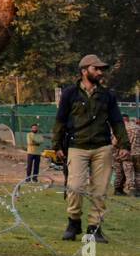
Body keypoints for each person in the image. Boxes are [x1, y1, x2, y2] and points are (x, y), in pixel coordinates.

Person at [53, 55, 131, 242]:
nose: (100, 72)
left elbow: (117, 121)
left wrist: (124, 144)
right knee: (75, 186)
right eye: (96, 69)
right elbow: (60, 121)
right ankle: (73, 222)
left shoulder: (107, 95)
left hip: (102, 147)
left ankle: (94, 228)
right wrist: (56, 145)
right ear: (84, 70)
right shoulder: (70, 94)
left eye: (101, 69)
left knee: (100, 190)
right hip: (76, 146)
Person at [115, 114, 137, 196]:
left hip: (124, 153)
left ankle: (123, 189)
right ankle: (137, 190)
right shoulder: (137, 127)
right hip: (137, 153)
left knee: (125, 172)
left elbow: (114, 142)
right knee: (137, 173)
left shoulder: (122, 129)